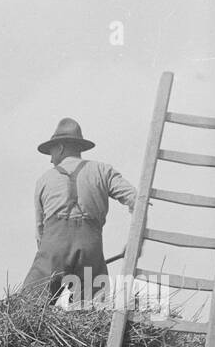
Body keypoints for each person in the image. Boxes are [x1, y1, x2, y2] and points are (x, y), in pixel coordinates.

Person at [20, 119, 137, 307]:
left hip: (54, 249)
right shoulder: (102, 171)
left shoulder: (44, 180)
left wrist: (55, 266)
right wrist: (134, 241)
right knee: (93, 310)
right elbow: (137, 200)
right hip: (90, 249)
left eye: (51, 153)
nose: (50, 159)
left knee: (28, 307)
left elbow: (40, 234)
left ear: (59, 148)